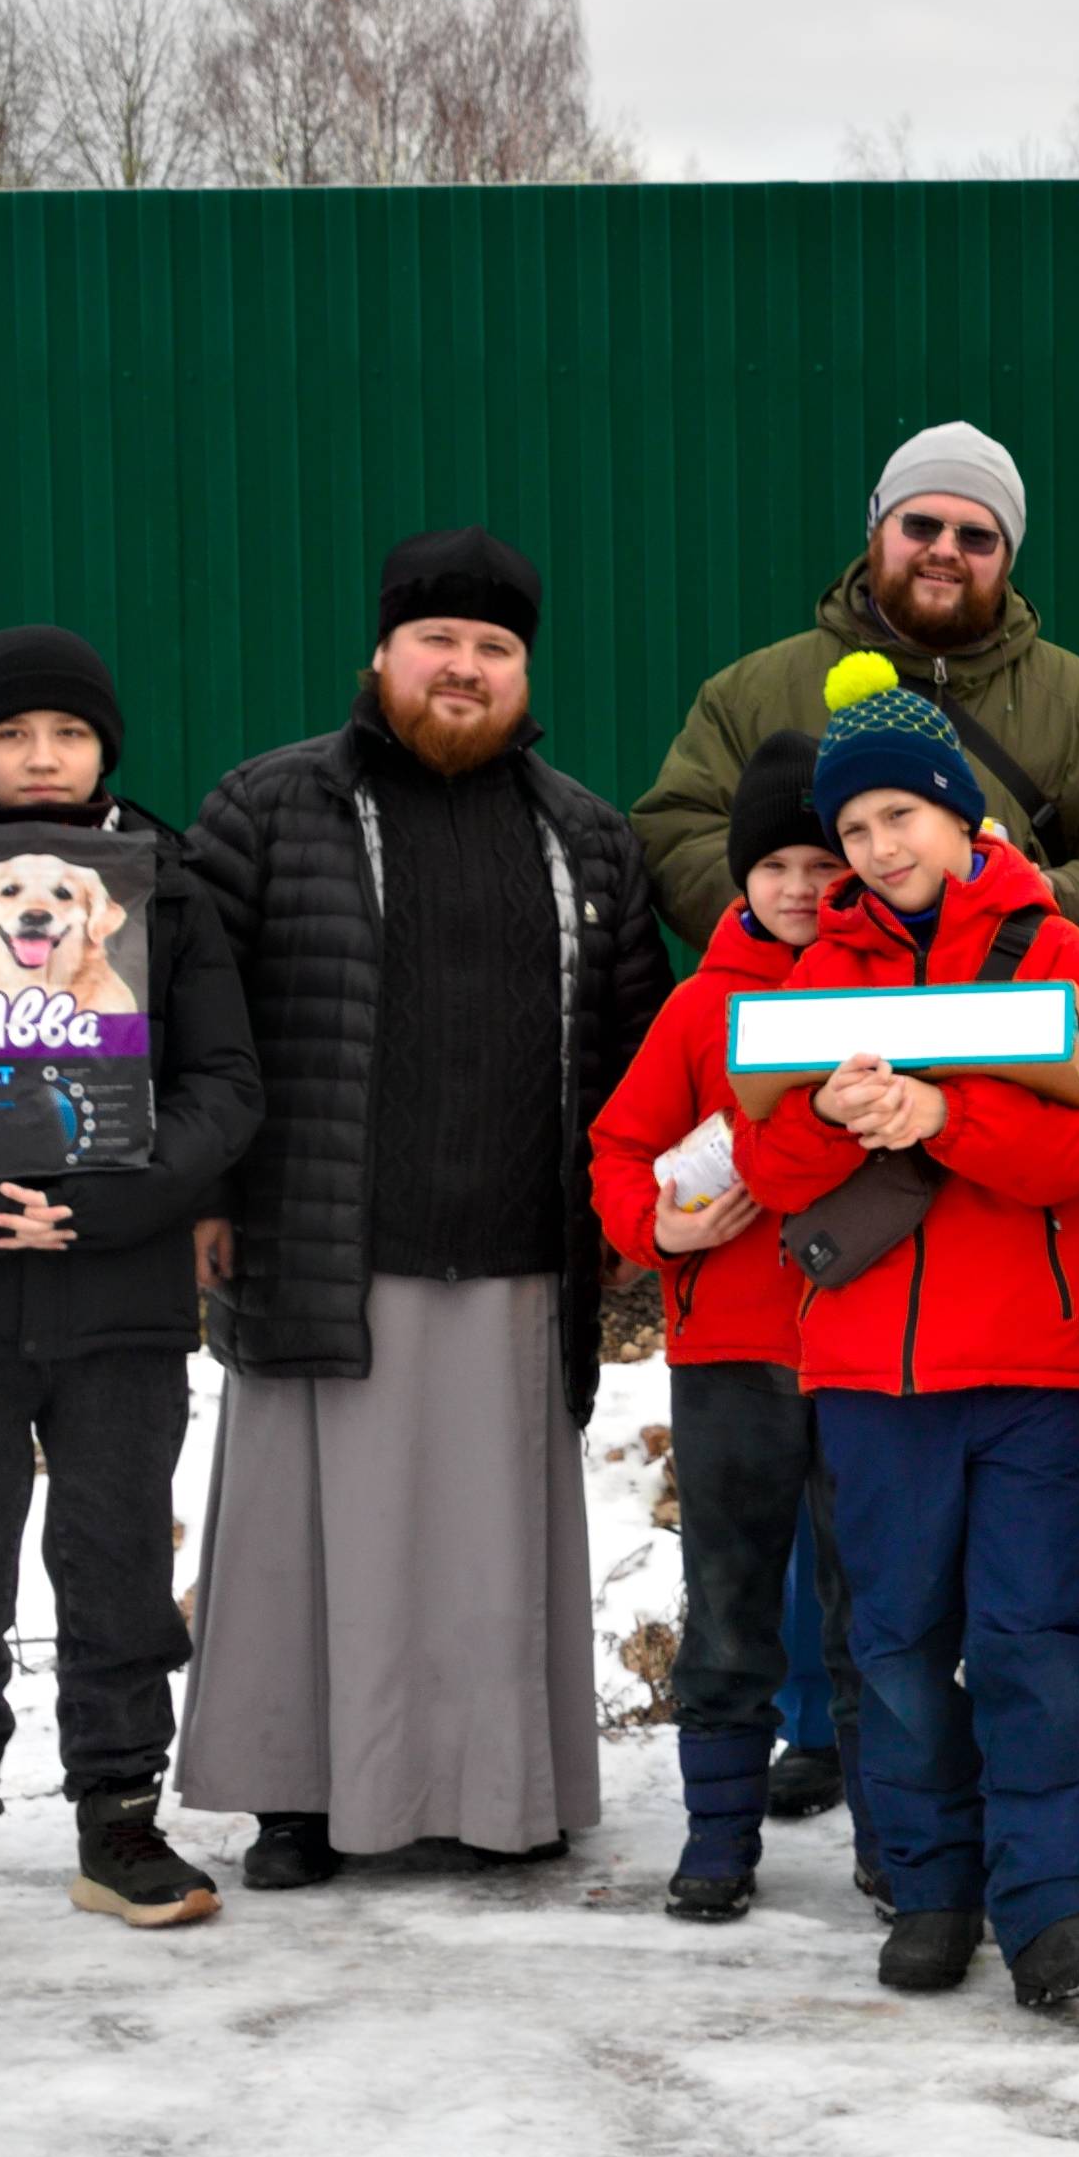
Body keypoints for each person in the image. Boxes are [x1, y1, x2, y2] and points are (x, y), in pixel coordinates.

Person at [178, 528, 669, 1887]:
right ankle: (293, 1796)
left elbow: (634, 1050)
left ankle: (499, 1794)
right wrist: (207, 1189)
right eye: (437, 641)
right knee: (304, 1550)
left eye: (493, 647)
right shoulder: (266, 808)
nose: (464, 667)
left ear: (524, 672)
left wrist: (624, 1210)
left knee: (488, 1558)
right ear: (381, 654)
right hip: (323, 1243)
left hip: (518, 1258)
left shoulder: (587, 835)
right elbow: (198, 1021)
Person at [735, 655, 1079, 2010]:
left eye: (898, 816)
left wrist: (943, 1116)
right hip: (872, 1373)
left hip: (1028, 1365)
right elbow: (769, 1164)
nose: (876, 847)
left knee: (1029, 1643)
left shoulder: (1054, 948)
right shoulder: (818, 972)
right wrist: (829, 1116)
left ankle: (1053, 1907)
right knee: (899, 1644)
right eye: (852, 827)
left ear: (959, 813)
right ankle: (930, 1888)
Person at [0, 625, 265, 1953]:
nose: (43, 756)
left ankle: (119, 1820)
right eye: (15, 733)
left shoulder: (171, 898)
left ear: (105, 749)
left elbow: (225, 1086)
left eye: (70, 733)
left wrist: (116, 1201)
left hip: (121, 1294)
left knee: (120, 1561)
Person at [591, 728, 865, 1922]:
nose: (800, 889)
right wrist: (657, 1229)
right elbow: (618, 1148)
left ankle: (894, 1840)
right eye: (775, 868)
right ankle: (718, 1833)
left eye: (823, 866)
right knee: (730, 1604)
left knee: (873, 1615)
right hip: (731, 1354)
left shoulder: (896, 1000)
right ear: (740, 878)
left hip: (870, 1355)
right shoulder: (702, 1007)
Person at [632, 419, 1079, 979]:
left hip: (1011, 1018)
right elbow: (677, 830)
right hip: (810, 1019)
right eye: (921, 525)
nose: (945, 549)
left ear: (1007, 557)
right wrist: (809, 914)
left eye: (976, 536)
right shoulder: (751, 695)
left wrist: (1042, 898)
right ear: (876, 531)